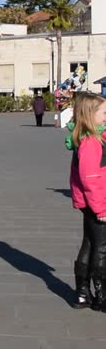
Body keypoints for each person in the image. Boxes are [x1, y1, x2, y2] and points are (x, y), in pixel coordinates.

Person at [69, 92, 106, 310]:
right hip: (97, 202)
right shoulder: (91, 142)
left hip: (91, 202)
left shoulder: (88, 137)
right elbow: (90, 179)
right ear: (90, 114)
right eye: (103, 113)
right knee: (101, 247)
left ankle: (82, 293)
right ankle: (101, 294)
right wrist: (101, 208)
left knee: (90, 244)